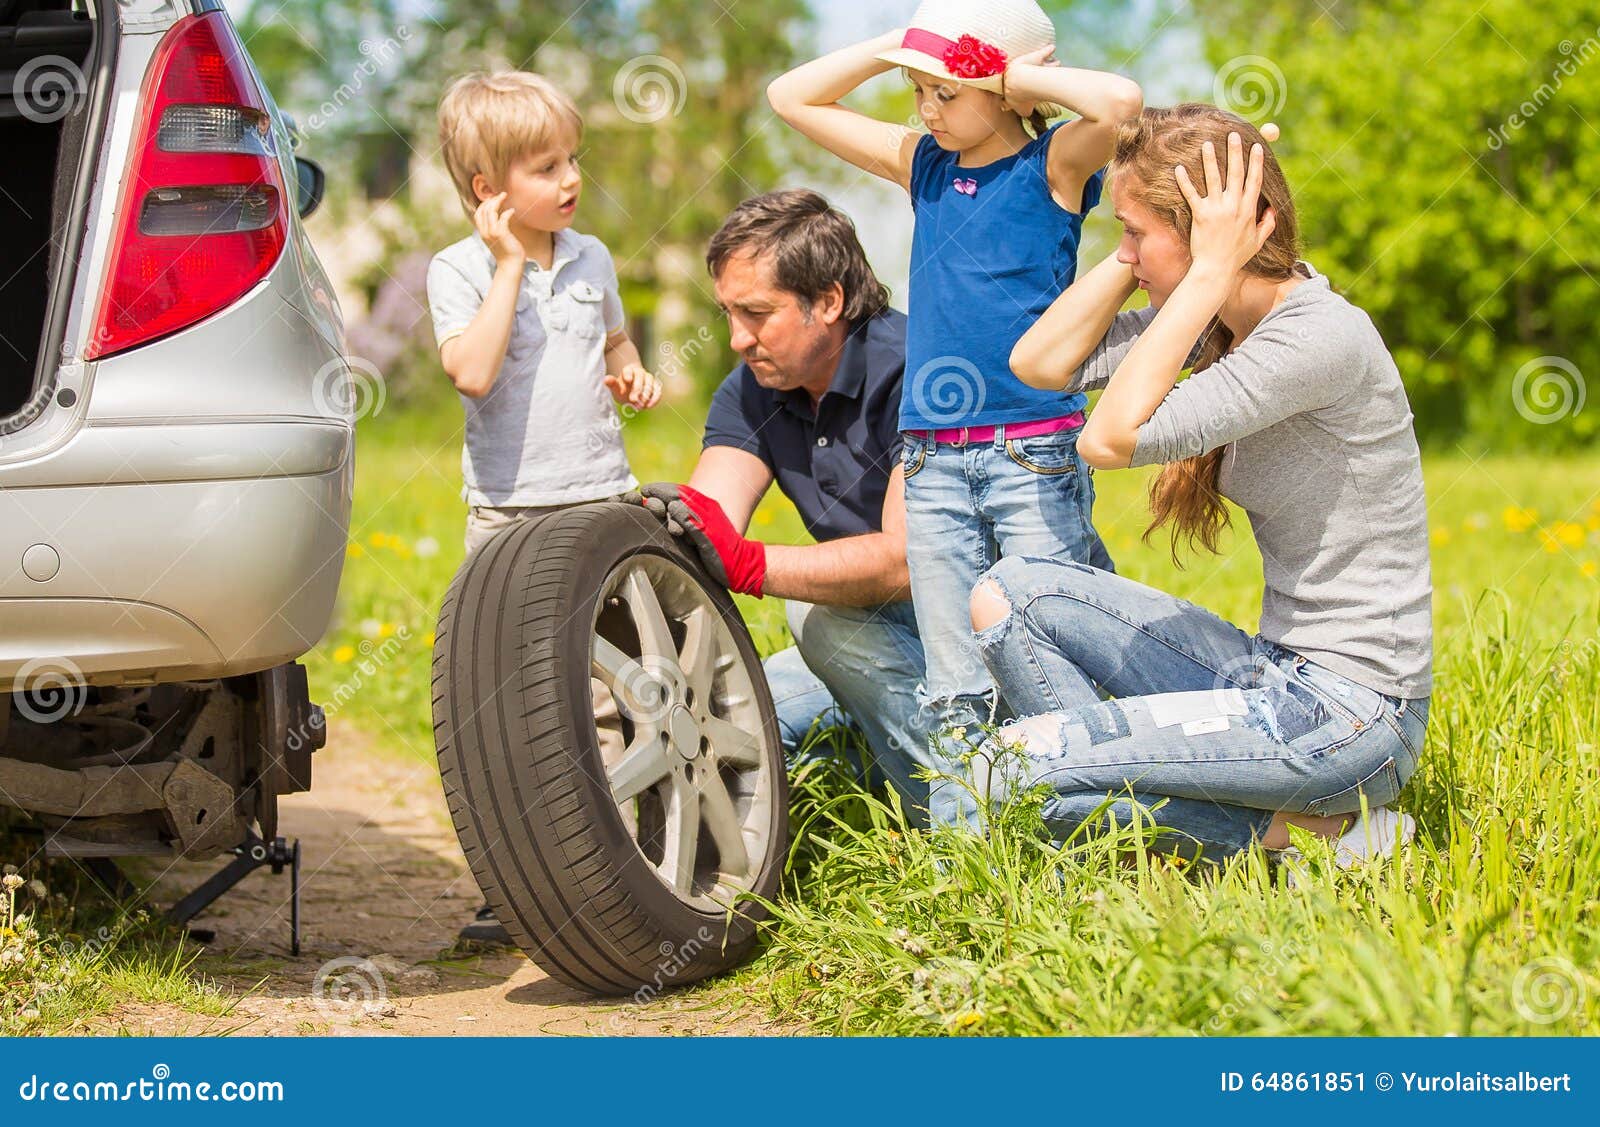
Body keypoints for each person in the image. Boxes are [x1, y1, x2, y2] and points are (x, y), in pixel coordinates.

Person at [966, 104, 1432, 872]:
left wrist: (1208, 265)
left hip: (1353, 719)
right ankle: (1160, 821)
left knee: (1010, 768)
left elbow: (1105, 438)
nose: (1125, 254)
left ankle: (1300, 835)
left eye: (1136, 233)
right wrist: (1143, 254)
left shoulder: (1315, 336)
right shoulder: (1218, 326)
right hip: (1276, 675)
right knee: (1009, 595)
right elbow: (1039, 362)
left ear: (1211, 233)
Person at [766, 0, 1143, 824]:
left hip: (1032, 451)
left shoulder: (1055, 165)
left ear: (1005, 90)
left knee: (1046, 656)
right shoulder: (925, 166)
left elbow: (1120, 104)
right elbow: (792, 98)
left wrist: (1010, 77)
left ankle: (1075, 836)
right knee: (955, 680)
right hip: (932, 460)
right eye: (918, 92)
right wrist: (898, 47)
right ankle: (969, 855)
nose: (928, 110)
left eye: (947, 93)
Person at [425, 70, 661, 943]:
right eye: (544, 167)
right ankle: (518, 885)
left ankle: (626, 867)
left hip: (599, 499)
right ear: (489, 191)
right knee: (512, 701)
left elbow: (613, 336)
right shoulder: (457, 270)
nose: (570, 181)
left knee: (615, 690)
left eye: (573, 161)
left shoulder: (593, 256)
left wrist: (631, 367)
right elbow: (473, 373)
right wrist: (509, 266)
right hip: (509, 516)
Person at [630, 189, 939, 816]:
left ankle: (963, 823)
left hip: (969, 632)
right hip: (869, 628)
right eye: (728, 314)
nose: (738, 338)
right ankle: (868, 765)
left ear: (828, 301)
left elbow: (910, 562)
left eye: (757, 313)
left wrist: (750, 566)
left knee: (814, 621)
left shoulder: (918, 373)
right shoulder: (753, 390)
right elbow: (705, 524)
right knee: (723, 712)